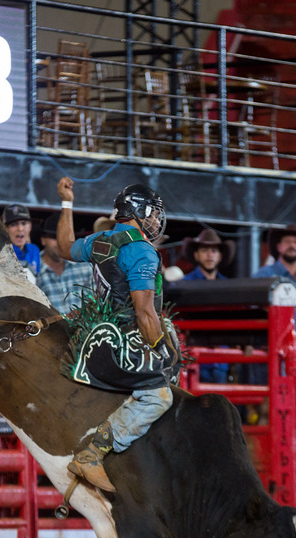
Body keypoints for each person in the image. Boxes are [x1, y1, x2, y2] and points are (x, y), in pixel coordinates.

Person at [56, 178, 175, 492]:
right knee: (160, 396)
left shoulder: (101, 240)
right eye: (151, 213)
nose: (154, 220)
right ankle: (94, 452)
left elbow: (65, 246)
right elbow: (145, 313)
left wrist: (66, 203)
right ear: (137, 210)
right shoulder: (142, 252)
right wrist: (163, 349)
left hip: (94, 340)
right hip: (122, 346)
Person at [180, 227, 235, 384]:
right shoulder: (184, 284)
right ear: (196, 255)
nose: (210, 255)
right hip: (193, 355)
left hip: (220, 359)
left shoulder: (229, 287)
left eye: (214, 250)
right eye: (204, 250)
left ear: (220, 256)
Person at [253, 224, 296, 344]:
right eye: (287, 241)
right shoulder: (264, 275)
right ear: (279, 247)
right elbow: (252, 312)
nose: (292, 245)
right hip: (270, 347)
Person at [35, 211, 93, 316]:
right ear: (43, 240)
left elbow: (98, 301)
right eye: (54, 237)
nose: (60, 243)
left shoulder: (85, 266)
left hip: (85, 330)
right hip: (49, 331)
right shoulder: (33, 270)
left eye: (64, 238)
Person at [0, 204, 42, 277]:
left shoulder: (34, 250)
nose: (20, 229)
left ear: (30, 226)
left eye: (24, 223)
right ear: (5, 228)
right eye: (13, 224)